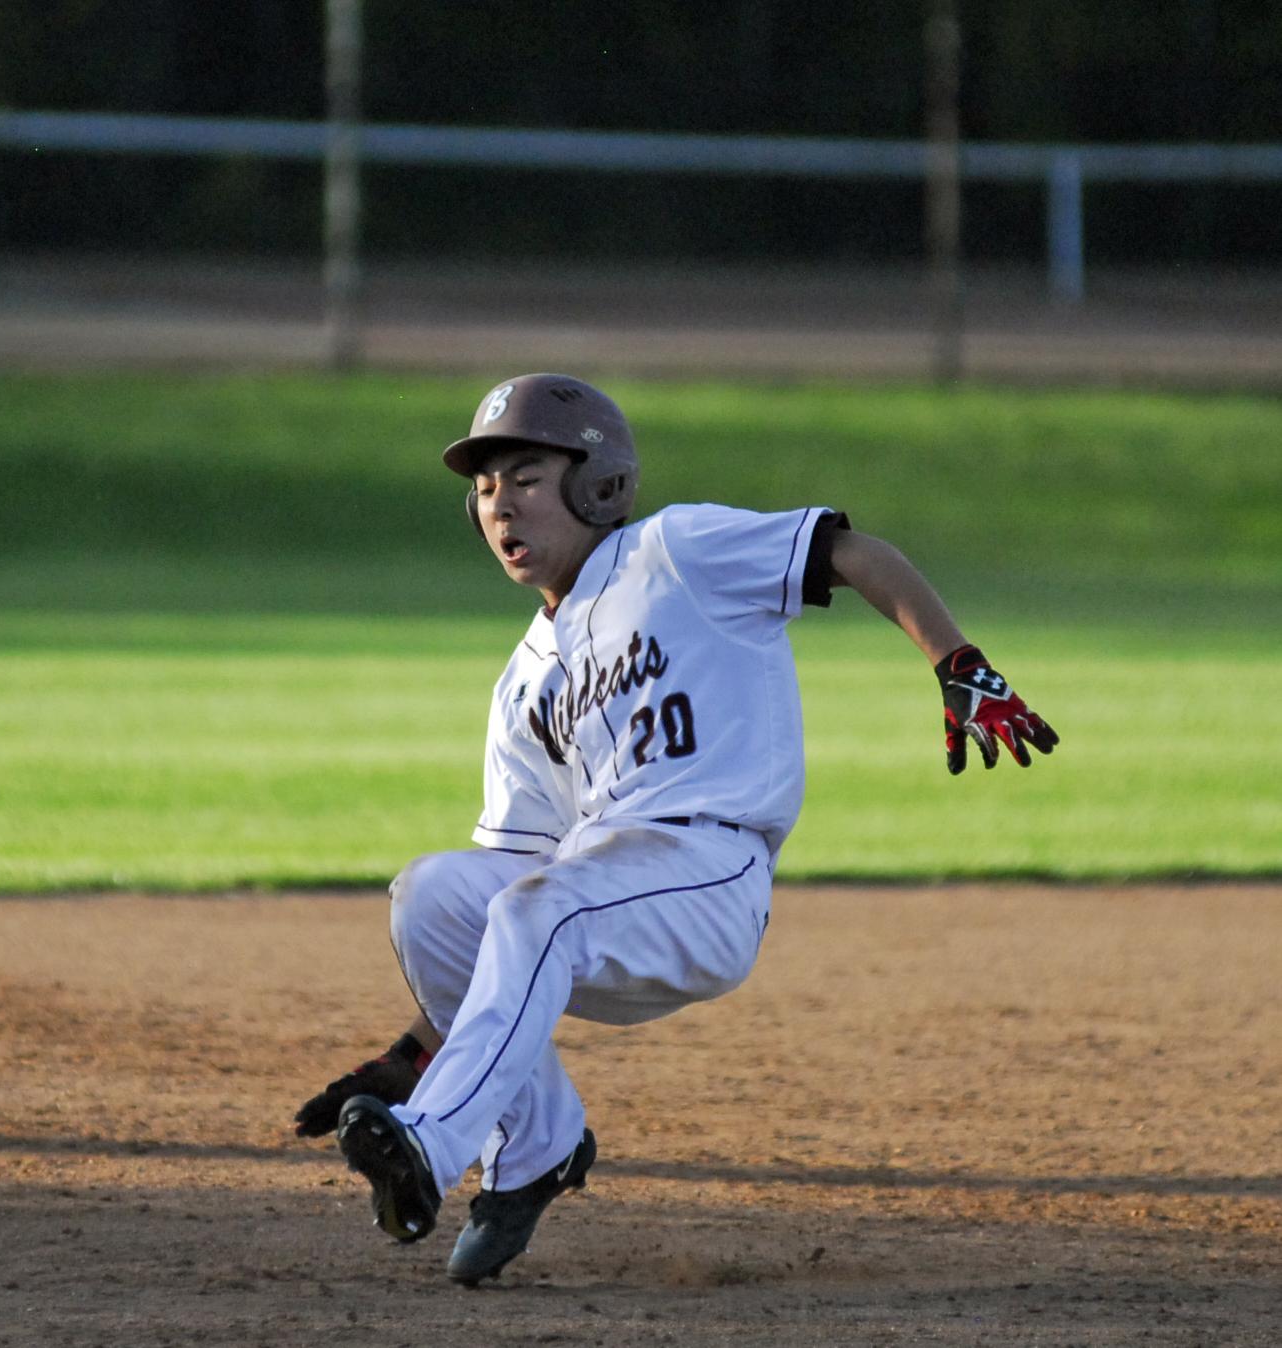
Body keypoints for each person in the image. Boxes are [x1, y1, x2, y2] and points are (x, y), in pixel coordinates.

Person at [293, 373, 1058, 1287]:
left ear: (596, 484)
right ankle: (533, 1149)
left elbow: (855, 554)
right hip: (597, 895)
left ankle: (429, 1148)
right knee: (432, 895)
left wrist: (958, 666)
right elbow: (501, 911)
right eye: (486, 487)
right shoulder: (522, 684)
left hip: (707, 875)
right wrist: (412, 1052)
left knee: (544, 910)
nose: (502, 504)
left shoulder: (674, 550)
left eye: (527, 476)